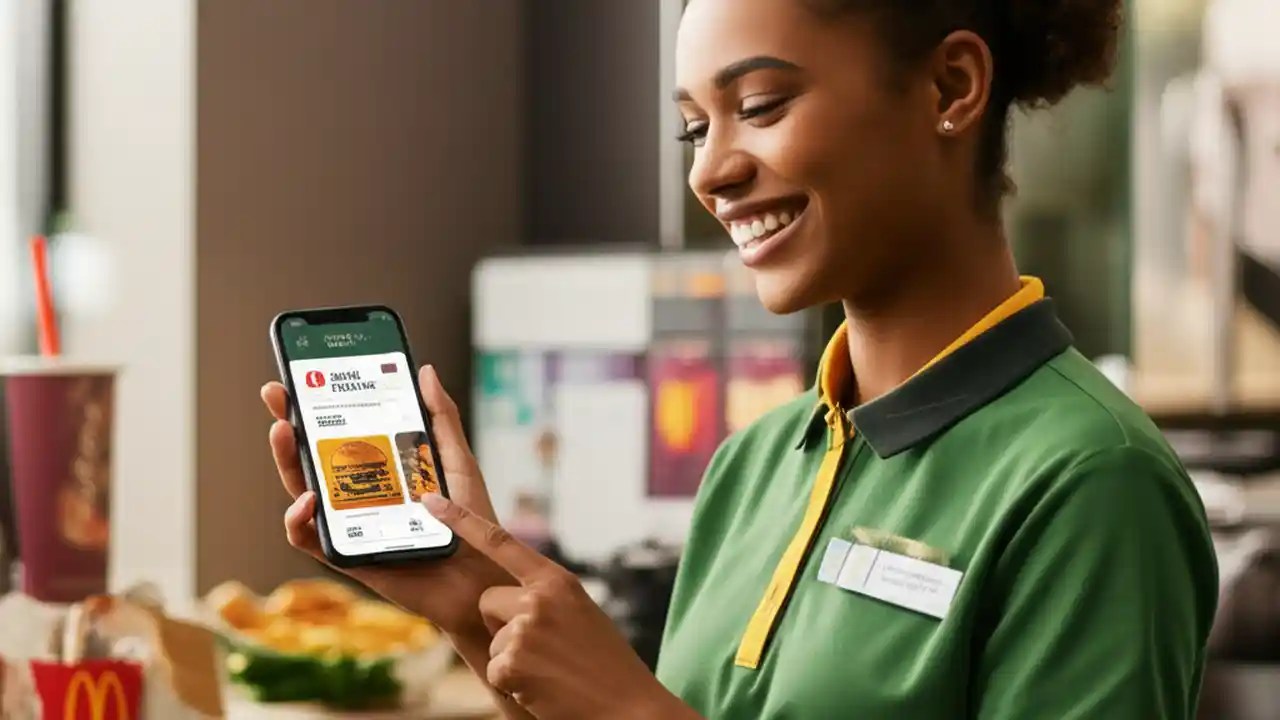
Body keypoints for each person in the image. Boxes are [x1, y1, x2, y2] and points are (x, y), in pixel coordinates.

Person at [262, 0, 1219, 716]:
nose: (708, 171)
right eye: (693, 126)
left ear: (950, 88)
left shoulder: (1093, 483)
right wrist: (475, 612)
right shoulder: (753, 467)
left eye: (759, 105)